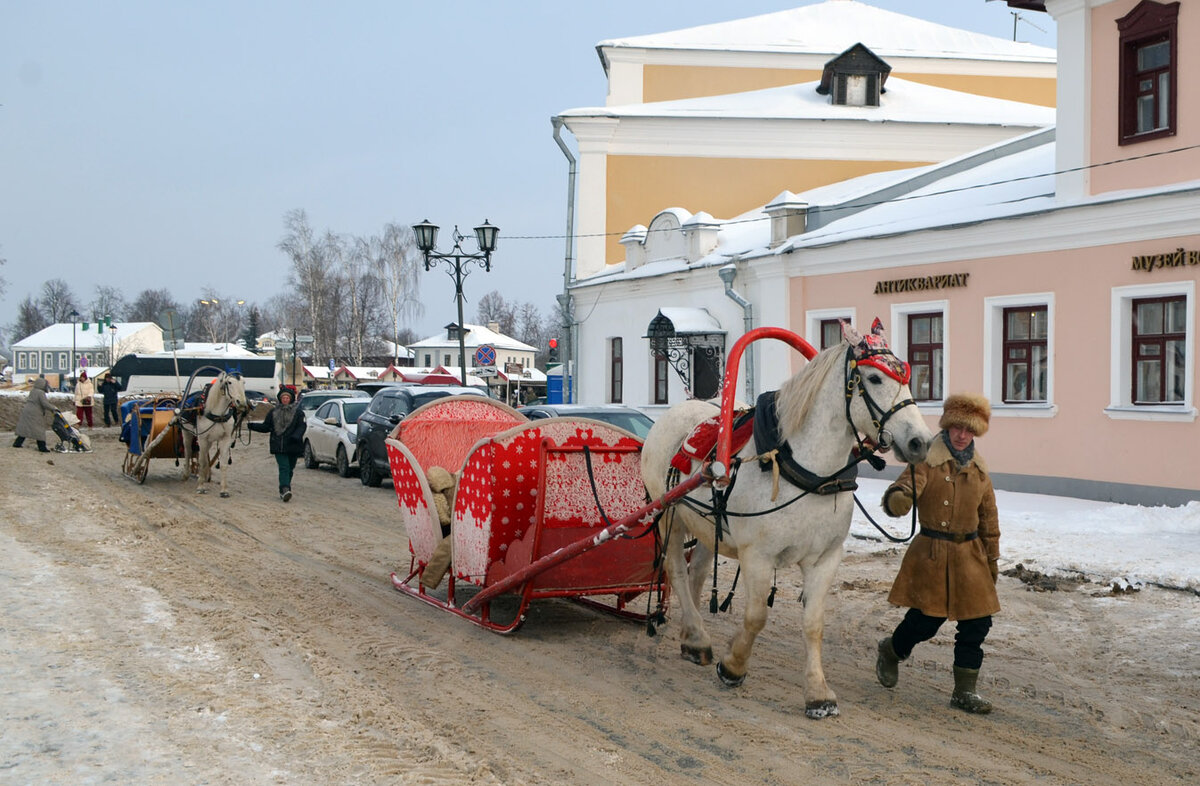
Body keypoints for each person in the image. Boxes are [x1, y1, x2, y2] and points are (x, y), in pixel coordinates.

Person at [875, 392, 1000, 714]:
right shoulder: (928, 458)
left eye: (969, 430)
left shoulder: (980, 470)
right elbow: (906, 485)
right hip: (931, 553)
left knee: (976, 625)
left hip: (970, 556)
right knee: (925, 622)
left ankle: (964, 692)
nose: (962, 436)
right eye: (957, 428)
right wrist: (897, 500)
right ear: (947, 426)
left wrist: (992, 560)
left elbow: (988, 520)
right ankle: (892, 650)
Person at [248, 385, 307, 502]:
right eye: (283, 398)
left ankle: (284, 489)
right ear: (280, 399)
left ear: (291, 399)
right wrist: (252, 426)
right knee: (284, 467)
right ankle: (285, 489)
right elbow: (266, 427)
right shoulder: (273, 412)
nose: (285, 400)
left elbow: (302, 426)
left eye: (287, 398)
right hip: (278, 445)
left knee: (290, 468)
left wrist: (296, 436)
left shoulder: (298, 413)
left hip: (293, 445)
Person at [13, 377, 56, 452]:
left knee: (25, 428)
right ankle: (42, 447)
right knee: (39, 430)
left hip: (27, 411)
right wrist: (54, 408)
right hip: (35, 413)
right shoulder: (40, 392)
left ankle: (17, 443)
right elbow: (44, 403)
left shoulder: (33, 391)